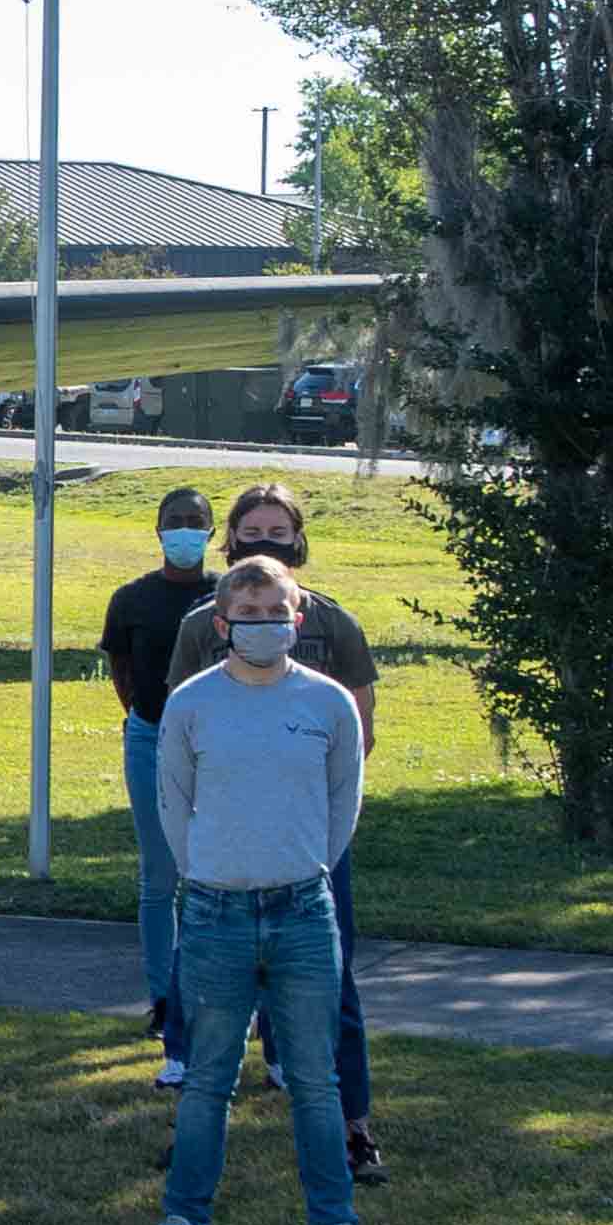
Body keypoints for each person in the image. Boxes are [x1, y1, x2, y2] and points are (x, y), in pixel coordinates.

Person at [139, 555, 390, 1225]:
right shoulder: (191, 703)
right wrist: (213, 874)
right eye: (246, 617)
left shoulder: (327, 702)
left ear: (297, 619)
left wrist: (296, 867)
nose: (261, 627)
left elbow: (342, 802)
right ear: (221, 625)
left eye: (275, 615)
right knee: (207, 1079)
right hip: (214, 910)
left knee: (314, 1078)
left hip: (303, 908)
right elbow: (173, 805)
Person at [165, 485, 382, 1173]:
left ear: (298, 538)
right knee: (206, 994)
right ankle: (195, 1132)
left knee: (332, 984)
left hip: (305, 843)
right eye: (251, 529)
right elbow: (179, 739)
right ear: (228, 538)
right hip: (221, 852)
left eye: (279, 530)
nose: (266, 540)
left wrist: (314, 842)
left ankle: (352, 1124)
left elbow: (355, 744)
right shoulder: (200, 626)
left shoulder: (335, 624)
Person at [100, 487, 223, 1073]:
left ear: (211, 531)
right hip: (150, 737)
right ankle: (164, 997)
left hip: (221, 745)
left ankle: (216, 993)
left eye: (195, 522)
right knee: (160, 875)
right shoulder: (131, 599)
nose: (184, 531)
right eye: (174, 522)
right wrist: (145, 717)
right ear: (156, 530)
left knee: (217, 870)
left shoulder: (229, 596)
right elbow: (121, 668)